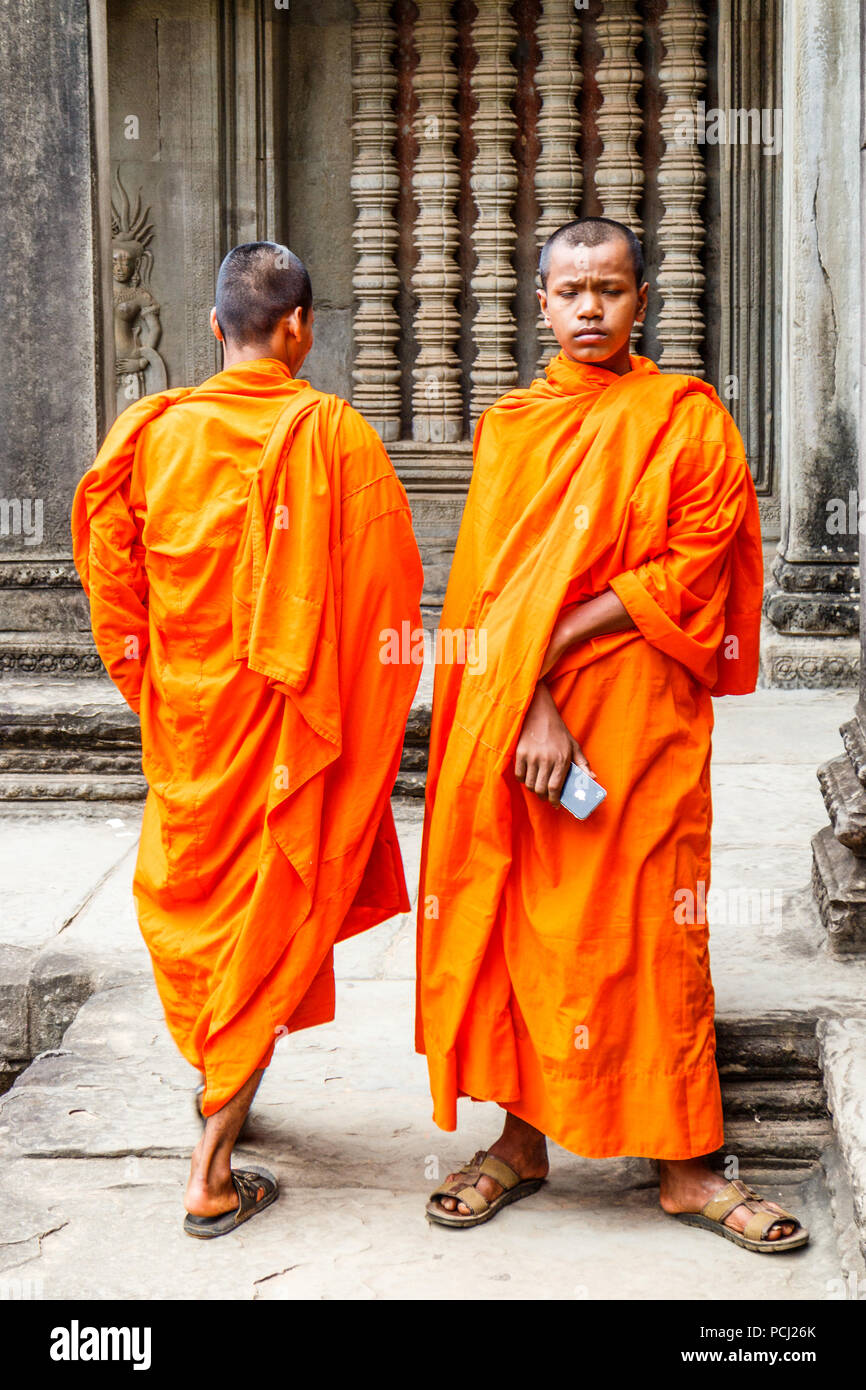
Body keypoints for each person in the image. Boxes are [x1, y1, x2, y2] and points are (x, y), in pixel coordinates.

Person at [416, 216, 808, 1253]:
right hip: (528, 725)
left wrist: (541, 653)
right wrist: (529, 699)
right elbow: (486, 597)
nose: (589, 308)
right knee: (522, 925)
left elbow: (687, 571)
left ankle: (683, 1162)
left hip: (639, 720)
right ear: (539, 303)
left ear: (643, 302)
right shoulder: (512, 427)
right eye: (570, 291)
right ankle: (519, 1138)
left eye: (610, 290)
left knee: (647, 930)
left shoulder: (684, 418)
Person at [72, 242, 424, 1238]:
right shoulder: (337, 437)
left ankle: (222, 1088)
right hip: (283, 737)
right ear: (301, 329)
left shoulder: (152, 432)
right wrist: (344, 711)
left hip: (192, 729)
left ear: (214, 328)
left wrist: (159, 688)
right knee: (266, 921)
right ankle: (211, 1175)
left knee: (217, 922)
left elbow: (111, 584)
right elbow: (388, 597)